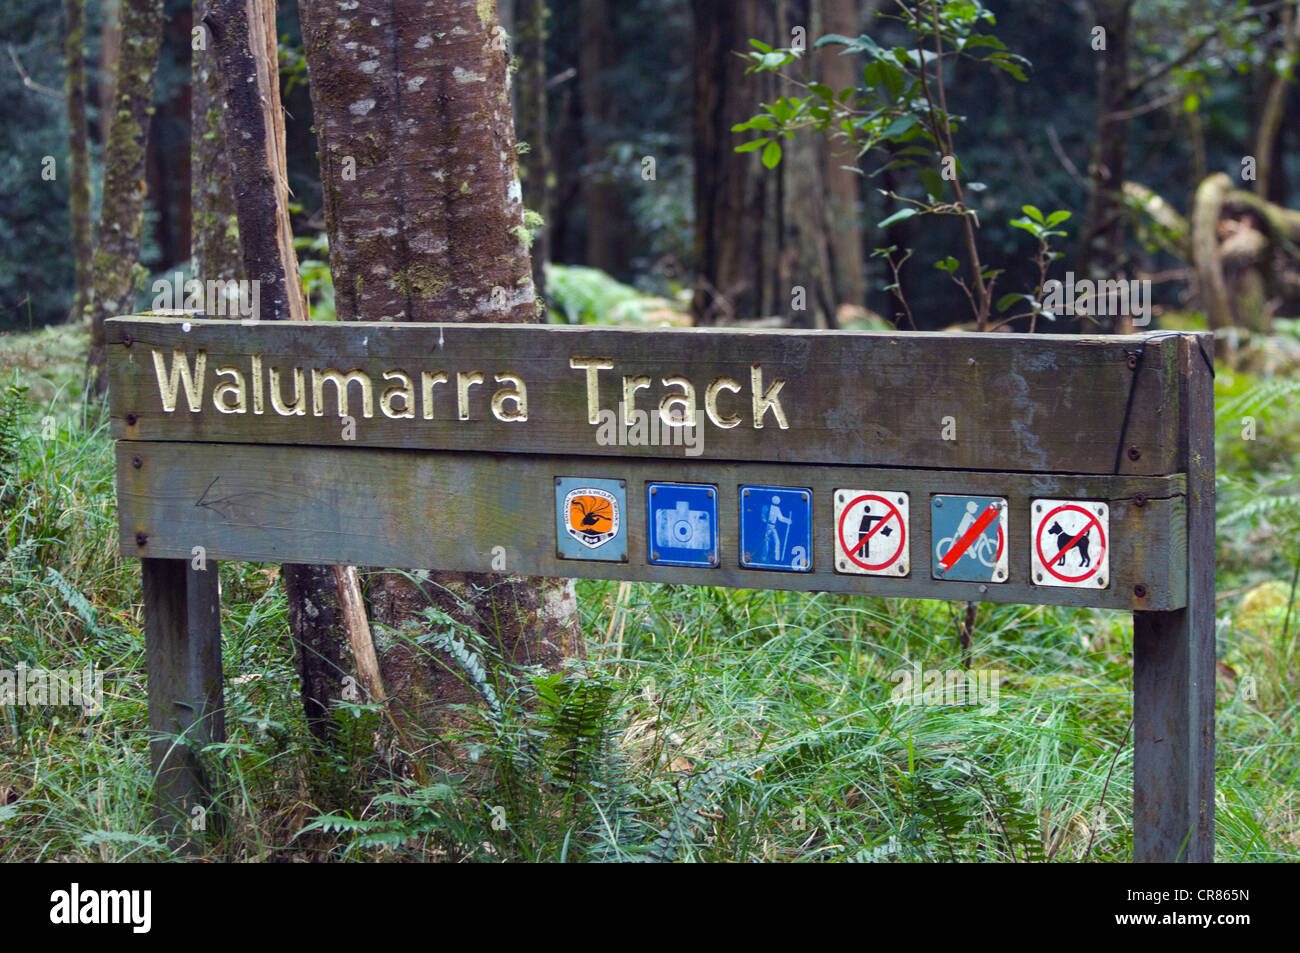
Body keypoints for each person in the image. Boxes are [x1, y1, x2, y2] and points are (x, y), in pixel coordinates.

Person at [762, 494, 792, 562]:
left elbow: (780, 518)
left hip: (773, 526)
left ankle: (776, 558)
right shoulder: (766, 507)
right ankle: (764, 557)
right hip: (767, 526)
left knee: (777, 541)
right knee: (766, 541)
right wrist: (764, 521)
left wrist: (788, 521)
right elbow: (763, 515)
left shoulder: (777, 509)